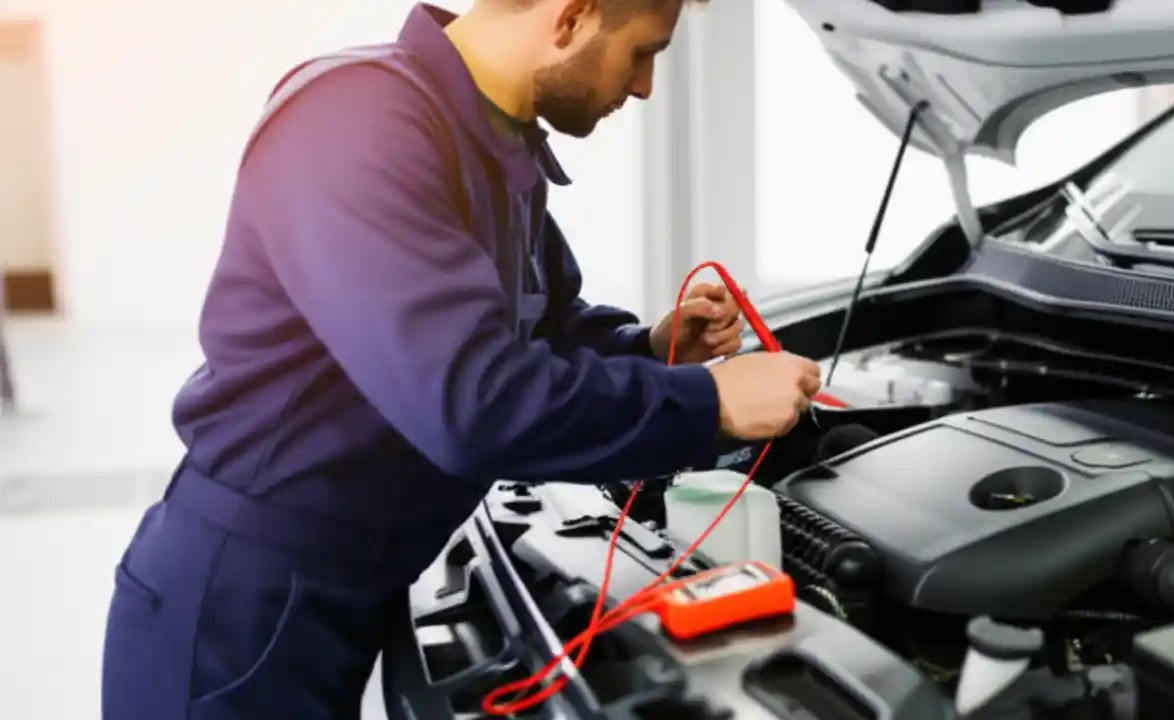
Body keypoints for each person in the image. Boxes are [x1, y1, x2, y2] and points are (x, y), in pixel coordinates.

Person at [101, 1, 822, 717]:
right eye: (643, 52)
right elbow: (472, 403)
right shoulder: (355, 123)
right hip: (242, 607)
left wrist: (655, 352)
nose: (642, 88)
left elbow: (536, 333)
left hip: (350, 582)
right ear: (569, 17)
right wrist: (712, 403)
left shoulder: (494, 140)